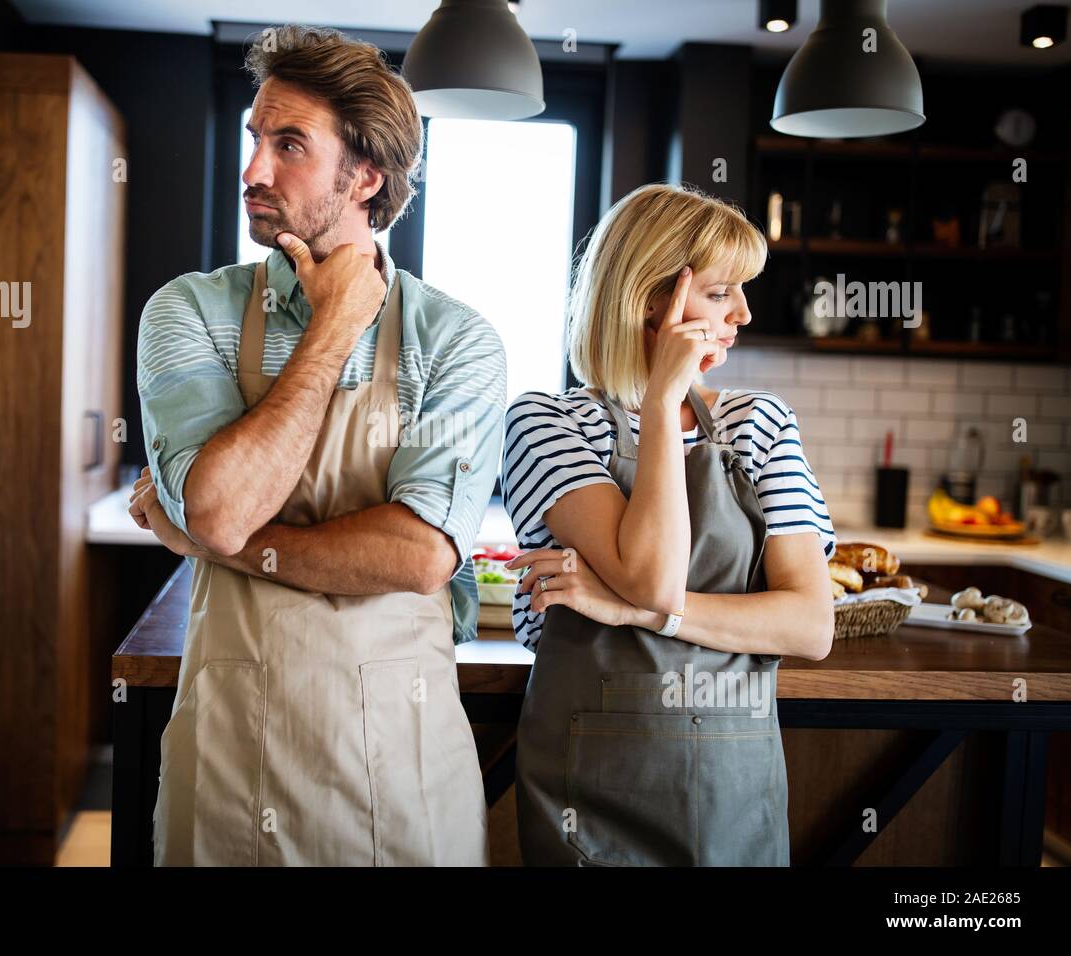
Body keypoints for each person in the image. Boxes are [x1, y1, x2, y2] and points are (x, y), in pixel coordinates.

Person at [128, 25, 506, 866]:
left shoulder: (457, 342)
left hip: (401, 784)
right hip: (229, 772)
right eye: (254, 138)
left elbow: (415, 557)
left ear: (366, 175)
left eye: (288, 144)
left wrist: (206, 539)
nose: (252, 170)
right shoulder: (190, 313)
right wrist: (335, 323)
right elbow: (221, 507)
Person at [501, 182, 835, 866]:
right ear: (651, 298)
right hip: (585, 793)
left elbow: (810, 624)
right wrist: (660, 405)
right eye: (720, 292)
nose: (743, 311)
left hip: (732, 787)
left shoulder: (761, 425)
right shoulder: (546, 423)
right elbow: (654, 577)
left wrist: (630, 612)